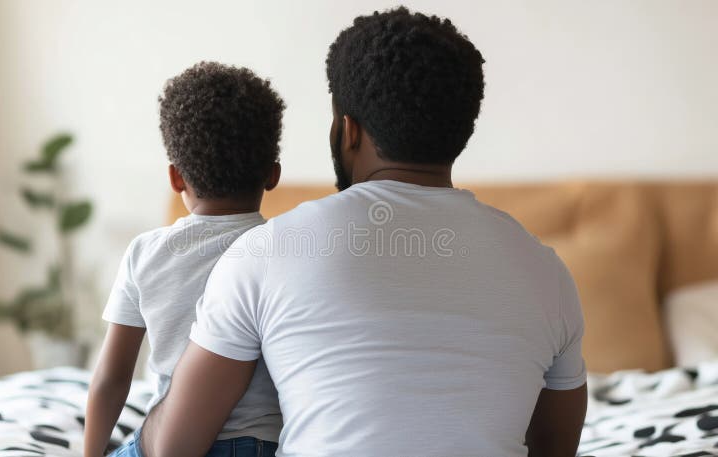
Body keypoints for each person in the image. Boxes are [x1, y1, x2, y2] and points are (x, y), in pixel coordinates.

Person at [140, 7, 588, 457]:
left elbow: (174, 447)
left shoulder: (263, 252)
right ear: (460, 131)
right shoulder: (547, 273)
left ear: (348, 131)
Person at [84, 62, 285, 457]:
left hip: (170, 440)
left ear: (176, 178)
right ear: (272, 174)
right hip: (264, 445)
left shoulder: (146, 252)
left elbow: (112, 377)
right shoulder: (287, 248)